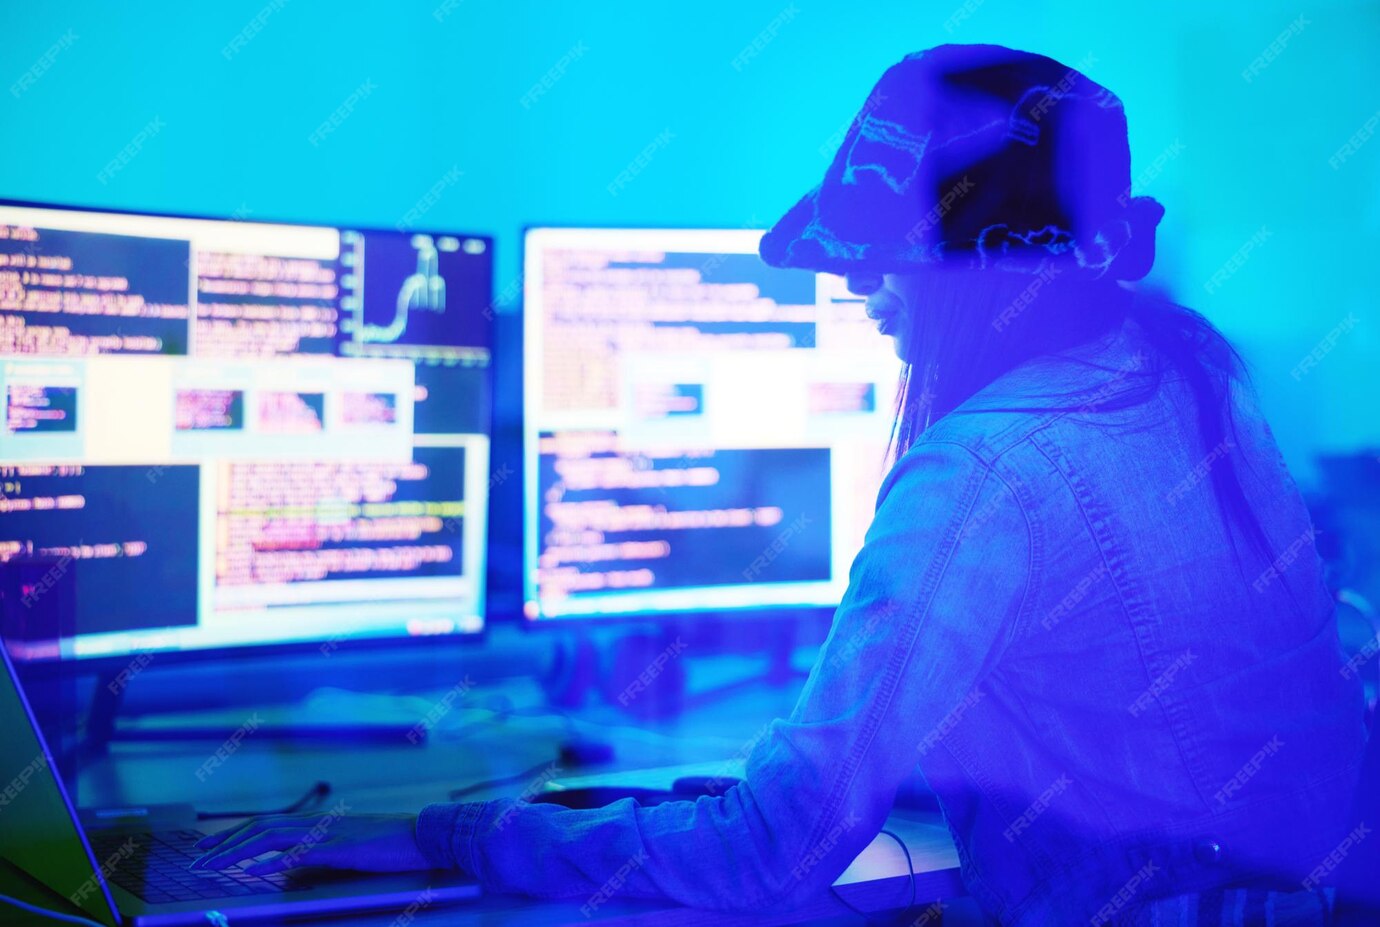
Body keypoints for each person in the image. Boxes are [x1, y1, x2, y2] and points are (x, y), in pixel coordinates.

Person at [191, 45, 1367, 925]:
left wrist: (450, 833)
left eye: (886, 256)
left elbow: (773, 856)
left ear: (978, 267)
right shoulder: (1180, 371)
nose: (859, 287)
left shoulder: (982, 470)